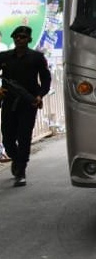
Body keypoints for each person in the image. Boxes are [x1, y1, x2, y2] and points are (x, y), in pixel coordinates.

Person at [0, 25, 52, 186]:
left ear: (29, 39)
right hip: (8, 101)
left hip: (28, 103)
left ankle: (21, 171)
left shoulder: (37, 57)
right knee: (8, 139)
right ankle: (16, 159)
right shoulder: (4, 57)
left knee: (24, 137)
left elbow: (46, 79)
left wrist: (39, 95)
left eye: (22, 37)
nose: (19, 39)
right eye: (16, 36)